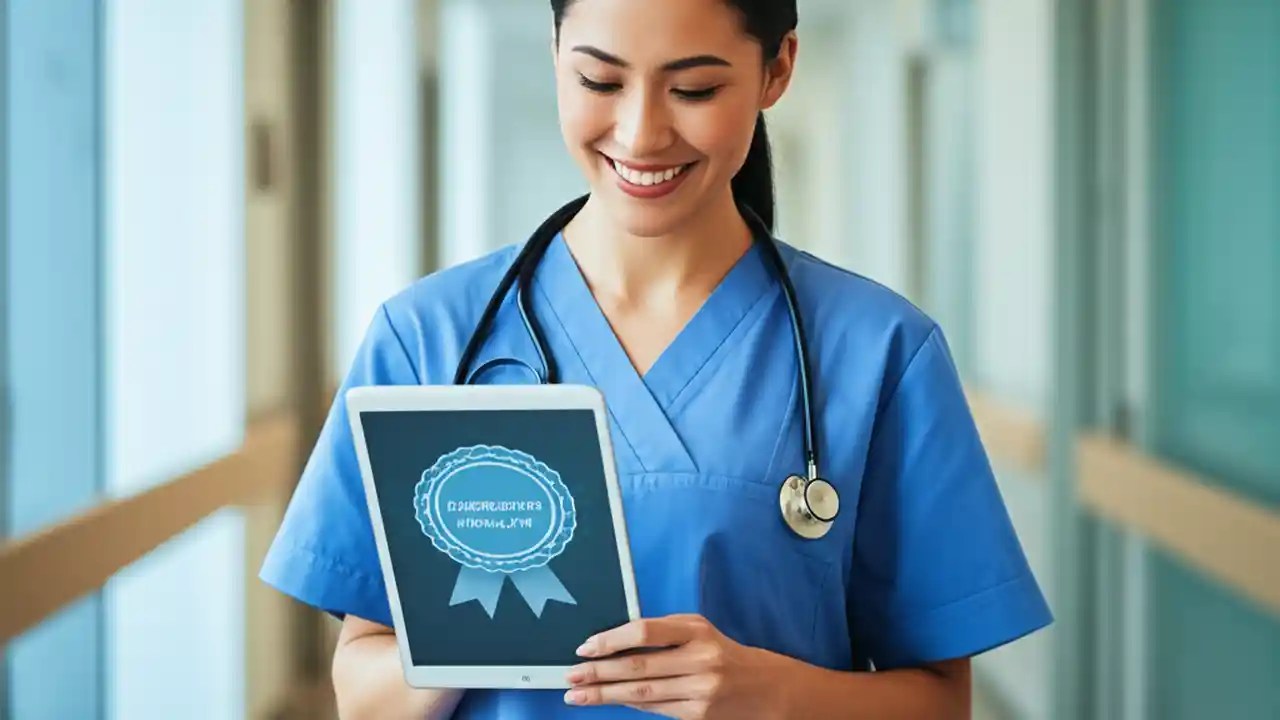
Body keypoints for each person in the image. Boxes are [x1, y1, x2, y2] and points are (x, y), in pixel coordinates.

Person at [259, 0, 1053, 717]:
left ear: (777, 69)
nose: (640, 134)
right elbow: (359, 694)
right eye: (600, 80)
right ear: (556, 51)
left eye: (695, 90)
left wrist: (774, 695)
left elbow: (939, 704)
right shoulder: (427, 337)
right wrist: (473, 635)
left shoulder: (877, 351)